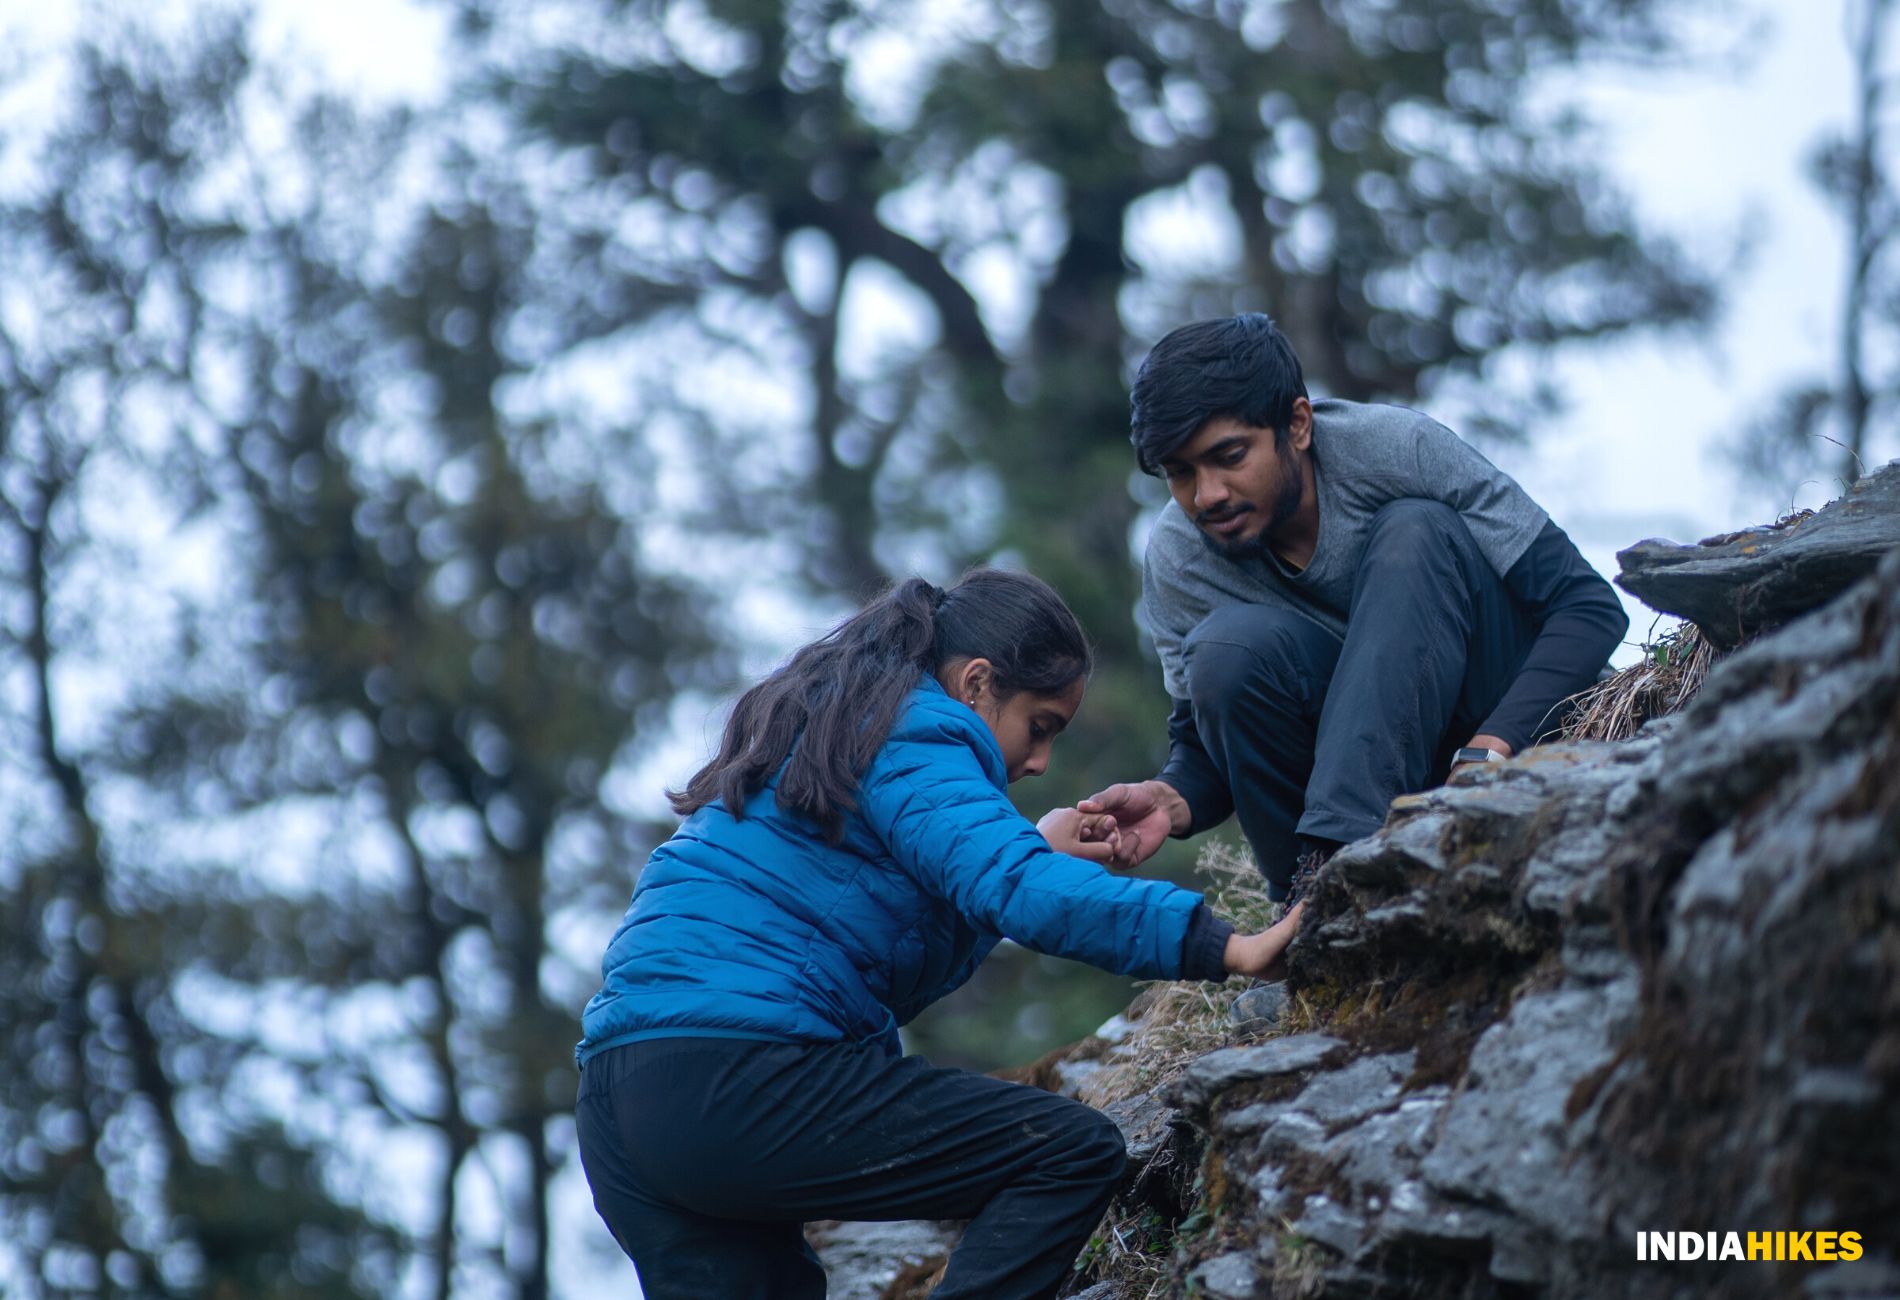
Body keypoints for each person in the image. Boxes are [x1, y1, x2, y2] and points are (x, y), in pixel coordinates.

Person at [574, 568, 1301, 1300]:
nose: (1041, 761)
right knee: (1065, 1152)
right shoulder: (915, 733)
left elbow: (904, 928)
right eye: (1039, 726)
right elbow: (1014, 889)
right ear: (977, 683)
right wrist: (1225, 946)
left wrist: (1035, 848)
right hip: (737, 1075)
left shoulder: (822, 737)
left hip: (619, 1106)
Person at [1079, 314, 1627, 905]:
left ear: (1297, 424)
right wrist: (1172, 797)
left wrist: (1491, 750)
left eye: (1230, 456)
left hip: (1506, 723)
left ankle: (1335, 866)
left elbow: (1588, 608)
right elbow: (1209, 739)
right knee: (1223, 653)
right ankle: (1318, 901)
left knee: (1415, 529)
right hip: (1370, 790)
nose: (1207, 495)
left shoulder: (1399, 451)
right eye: (1181, 473)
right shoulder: (1180, 558)